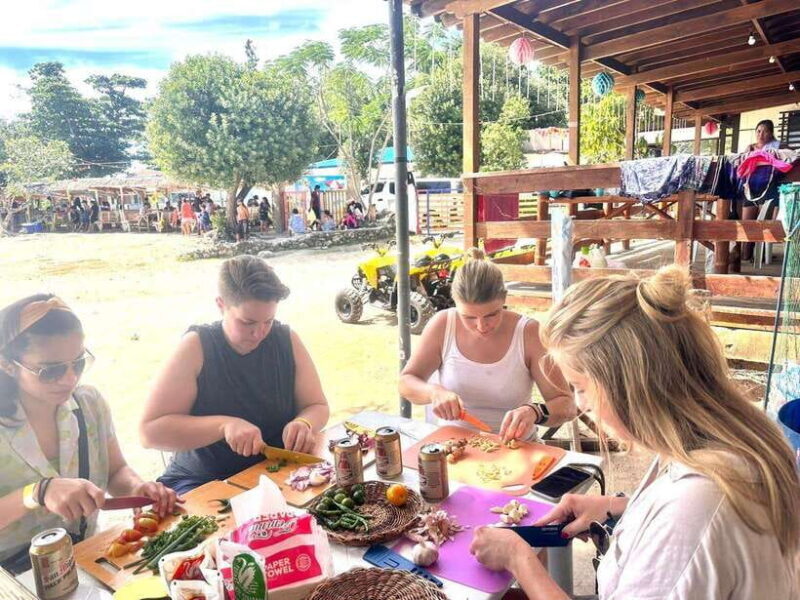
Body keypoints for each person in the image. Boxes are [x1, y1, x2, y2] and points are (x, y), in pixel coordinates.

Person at [469, 266, 800, 599]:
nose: (581, 404)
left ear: (628, 387)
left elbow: (689, 530)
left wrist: (519, 560)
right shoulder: (736, 436)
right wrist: (620, 506)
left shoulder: (693, 510)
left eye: (580, 387)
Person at [0, 295, 179, 573]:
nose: (70, 378)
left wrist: (137, 488)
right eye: (50, 370)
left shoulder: (88, 404)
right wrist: (36, 493)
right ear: (7, 364)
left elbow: (116, 471)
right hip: (10, 575)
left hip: (83, 558)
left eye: (78, 363)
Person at [139, 256, 330, 493]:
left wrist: (305, 422)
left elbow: (317, 405)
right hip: (204, 481)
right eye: (247, 322)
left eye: (268, 321)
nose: (259, 333)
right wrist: (224, 426)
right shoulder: (196, 347)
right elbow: (149, 432)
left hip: (276, 471)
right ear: (221, 305)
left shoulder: (286, 339)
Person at [399, 249, 574, 441]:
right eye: (469, 317)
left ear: (504, 299)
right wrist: (433, 392)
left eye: (492, 315)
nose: (481, 326)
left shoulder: (528, 333)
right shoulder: (443, 325)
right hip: (454, 445)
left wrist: (535, 411)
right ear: (455, 302)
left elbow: (566, 405)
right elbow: (406, 382)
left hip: (515, 446)